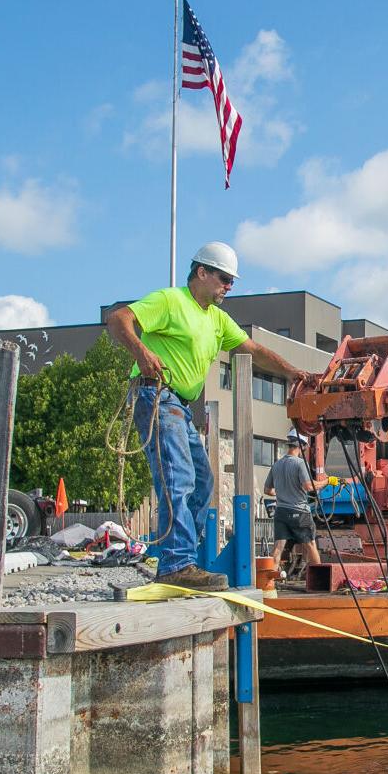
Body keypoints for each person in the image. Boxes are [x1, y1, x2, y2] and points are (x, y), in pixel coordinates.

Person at [107, 241, 304, 591]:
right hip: (156, 394)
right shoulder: (171, 301)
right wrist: (141, 351)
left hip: (178, 405)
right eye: (225, 279)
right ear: (202, 272)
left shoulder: (217, 320)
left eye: (232, 282)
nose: (229, 287)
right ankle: (176, 564)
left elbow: (254, 350)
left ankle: (184, 559)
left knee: (202, 482)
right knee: (178, 478)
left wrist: (293, 373)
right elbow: (119, 318)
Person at [264, 429, 321, 578]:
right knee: (310, 545)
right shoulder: (300, 463)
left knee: (277, 549)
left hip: (281, 513)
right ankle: (321, 580)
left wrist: (283, 493)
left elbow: (267, 490)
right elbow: (309, 486)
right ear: (302, 446)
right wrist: (327, 482)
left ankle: (268, 584)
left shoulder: (276, 465)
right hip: (299, 512)